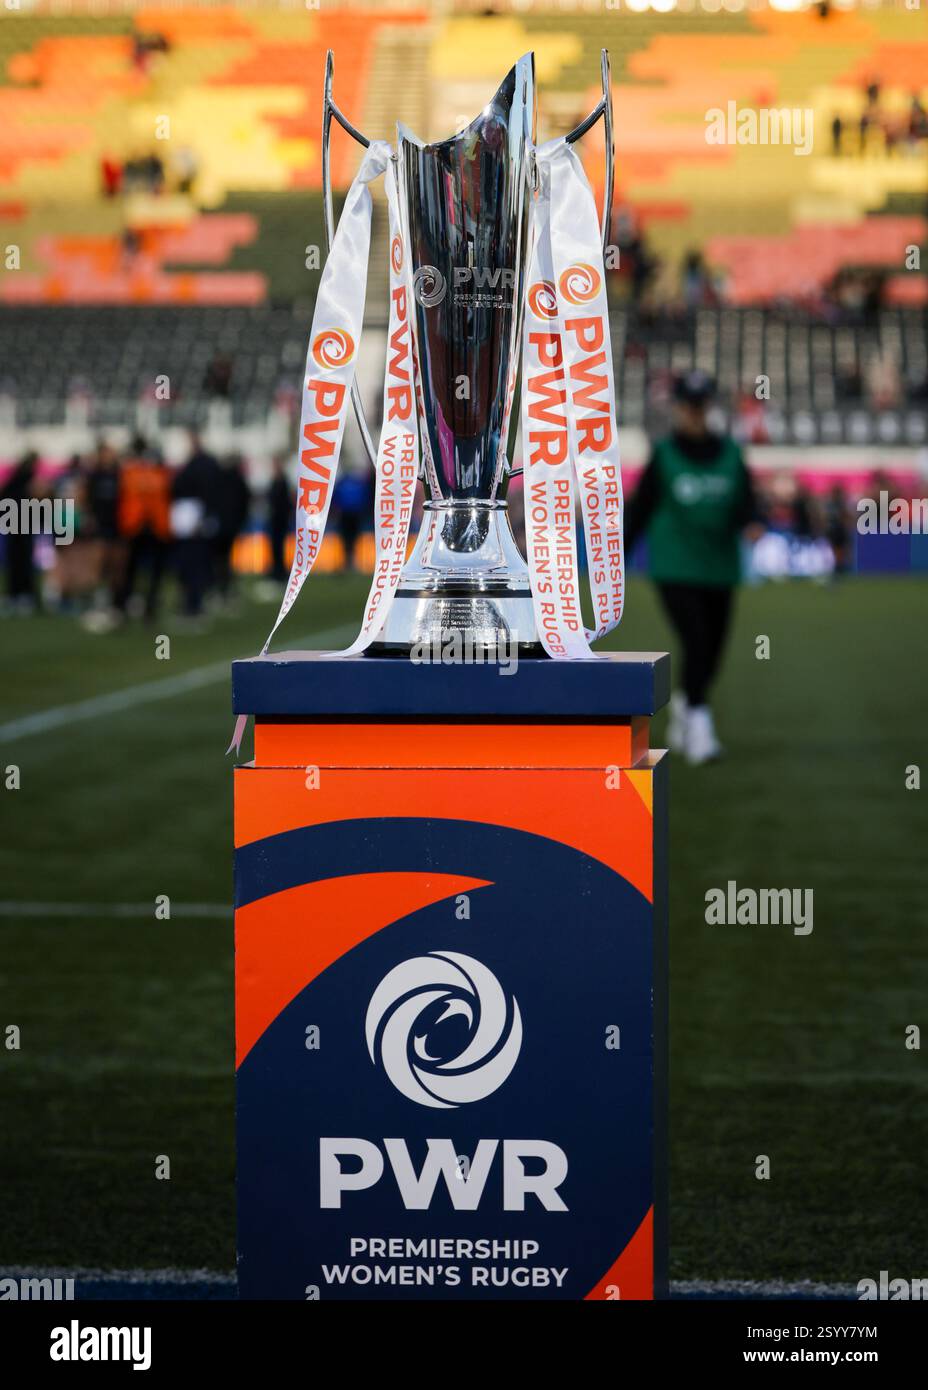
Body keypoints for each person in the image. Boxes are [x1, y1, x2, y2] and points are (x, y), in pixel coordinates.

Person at [625, 370, 762, 765]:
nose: (695, 413)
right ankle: (700, 726)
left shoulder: (731, 454)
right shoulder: (664, 455)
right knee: (697, 640)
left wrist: (752, 522)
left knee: (714, 649)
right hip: (676, 566)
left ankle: (687, 705)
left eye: (701, 405)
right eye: (688, 405)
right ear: (678, 408)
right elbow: (641, 508)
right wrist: (620, 558)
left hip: (719, 566)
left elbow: (746, 501)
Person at [115, 435, 171, 620]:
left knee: (147, 571)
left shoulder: (148, 473)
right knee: (131, 569)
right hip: (139, 527)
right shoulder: (134, 472)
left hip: (150, 527)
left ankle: (146, 607)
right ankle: (127, 605)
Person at [171, 433, 221, 620]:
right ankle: (194, 603)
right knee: (194, 563)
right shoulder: (204, 465)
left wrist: (201, 518)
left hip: (193, 519)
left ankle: (194, 605)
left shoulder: (199, 466)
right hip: (194, 518)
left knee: (193, 564)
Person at [3, 451, 40, 611]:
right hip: (20, 528)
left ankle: (20, 594)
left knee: (20, 562)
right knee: (21, 562)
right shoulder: (25, 481)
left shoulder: (17, 480)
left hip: (19, 527)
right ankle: (21, 594)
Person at [267, 456, 293, 583]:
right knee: (275, 547)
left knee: (279, 547)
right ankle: (277, 571)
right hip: (276, 520)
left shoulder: (282, 482)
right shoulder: (276, 481)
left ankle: (279, 573)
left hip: (280, 520)